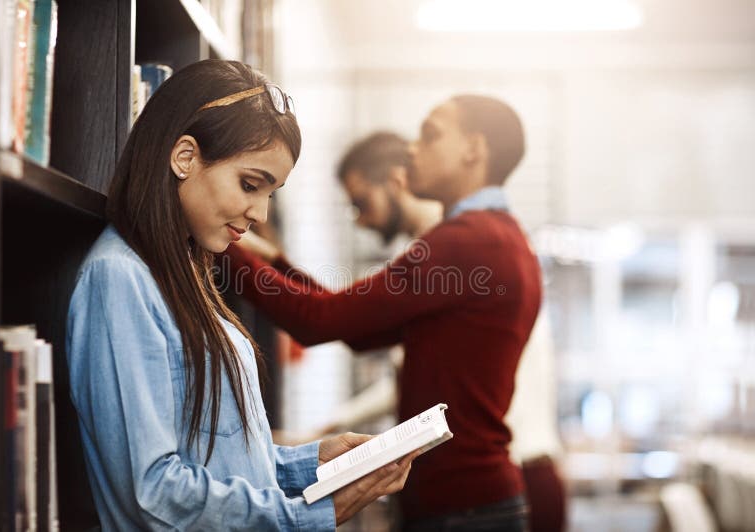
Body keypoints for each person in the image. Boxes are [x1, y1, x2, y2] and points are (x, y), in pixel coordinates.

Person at [65, 59, 418, 531]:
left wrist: (311, 463)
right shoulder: (118, 280)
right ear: (184, 157)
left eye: (271, 192)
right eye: (250, 185)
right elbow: (151, 493)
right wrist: (307, 516)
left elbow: (218, 461)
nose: (260, 213)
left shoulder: (184, 273)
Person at [222, 95, 542, 530]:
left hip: (462, 507)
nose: (412, 149)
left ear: (474, 149)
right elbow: (357, 330)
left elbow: (319, 320)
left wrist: (221, 238)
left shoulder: (467, 241)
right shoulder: (498, 236)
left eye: (430, 135)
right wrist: (272, 259)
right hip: (469, 501)